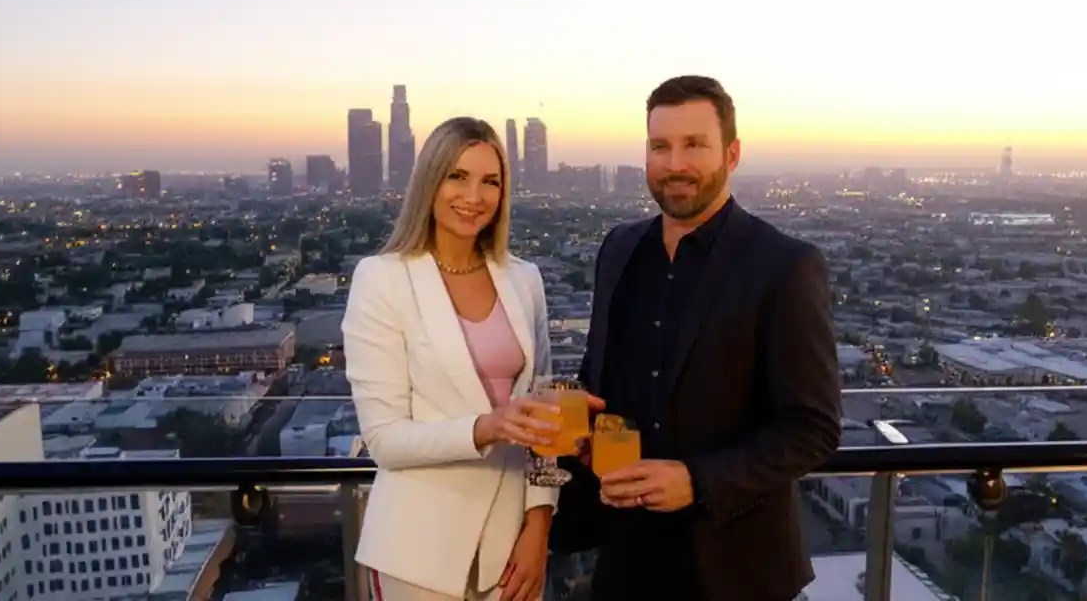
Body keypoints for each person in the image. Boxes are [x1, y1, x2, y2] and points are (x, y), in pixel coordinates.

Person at [550, 76, 843, 600]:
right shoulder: (618, 250)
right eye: (660, 146)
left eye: (694, 145)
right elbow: (601, 381)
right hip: (626, 559)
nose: (674, 163)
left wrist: (698, 481)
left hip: (736, 569)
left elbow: (813, 428)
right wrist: (584, 432)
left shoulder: (784, 266)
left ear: (731, 154)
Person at [344, 117, 587, 601]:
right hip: (417, 554)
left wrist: (539, 525)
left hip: (512, 552)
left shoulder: (524, 280)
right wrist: (489, 426)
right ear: (429, 181)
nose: (474, 196)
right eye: (457, 176)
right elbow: (385, 441)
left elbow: (544, 426)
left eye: (490, 181)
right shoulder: (381, 280)